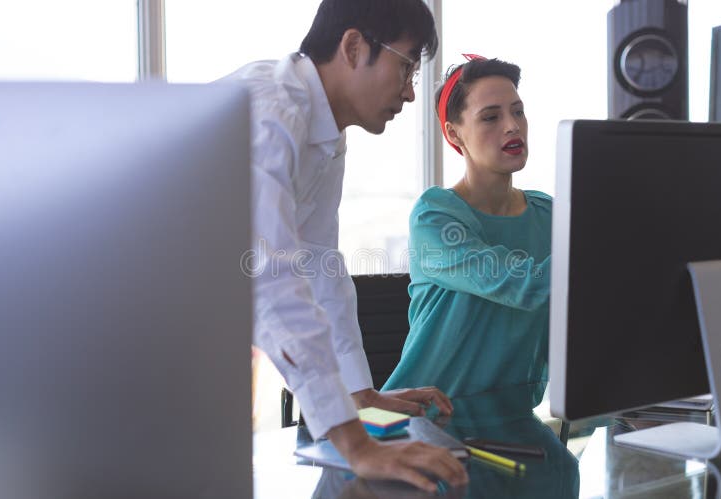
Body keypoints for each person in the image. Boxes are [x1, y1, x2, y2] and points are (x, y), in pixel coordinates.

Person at [226, 0, 467, 492]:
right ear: (355, 46)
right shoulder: (271, 114)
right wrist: (356, 445)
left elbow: (321, 267)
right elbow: (271, 281)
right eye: (405, 67)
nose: (410, 92)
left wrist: (359, 393)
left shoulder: (326, 136)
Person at [383, 57, 552, 409]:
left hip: (510, 423)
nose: (512, 126)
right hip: (420, 421)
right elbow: (523, 283)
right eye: (491, 117)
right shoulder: (434, 216)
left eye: (518, 112)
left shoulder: (549, 214)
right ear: (453, 133)